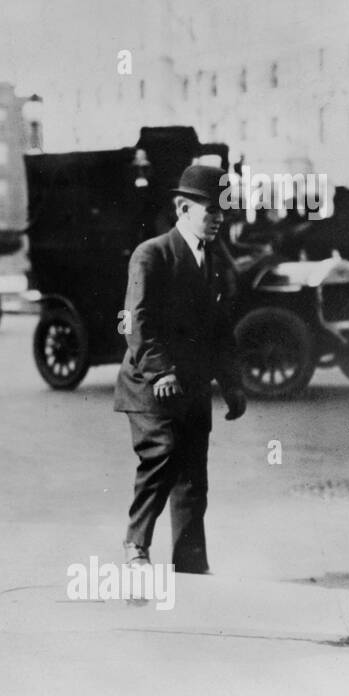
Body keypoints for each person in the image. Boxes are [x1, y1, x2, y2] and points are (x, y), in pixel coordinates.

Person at [114, 164, 247, 575]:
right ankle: (136, 545)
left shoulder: (216, 262)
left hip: (192, 387)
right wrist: (161, 373)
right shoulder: (152, 254)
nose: (219, 218)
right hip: (150, 384)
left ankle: (190, 562)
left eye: (225, 210)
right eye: (212, 209)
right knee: (162, 455)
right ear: (182, 207)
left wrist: (232, 384)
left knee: (193, 474)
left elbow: (221, 331)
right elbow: (138, 322)